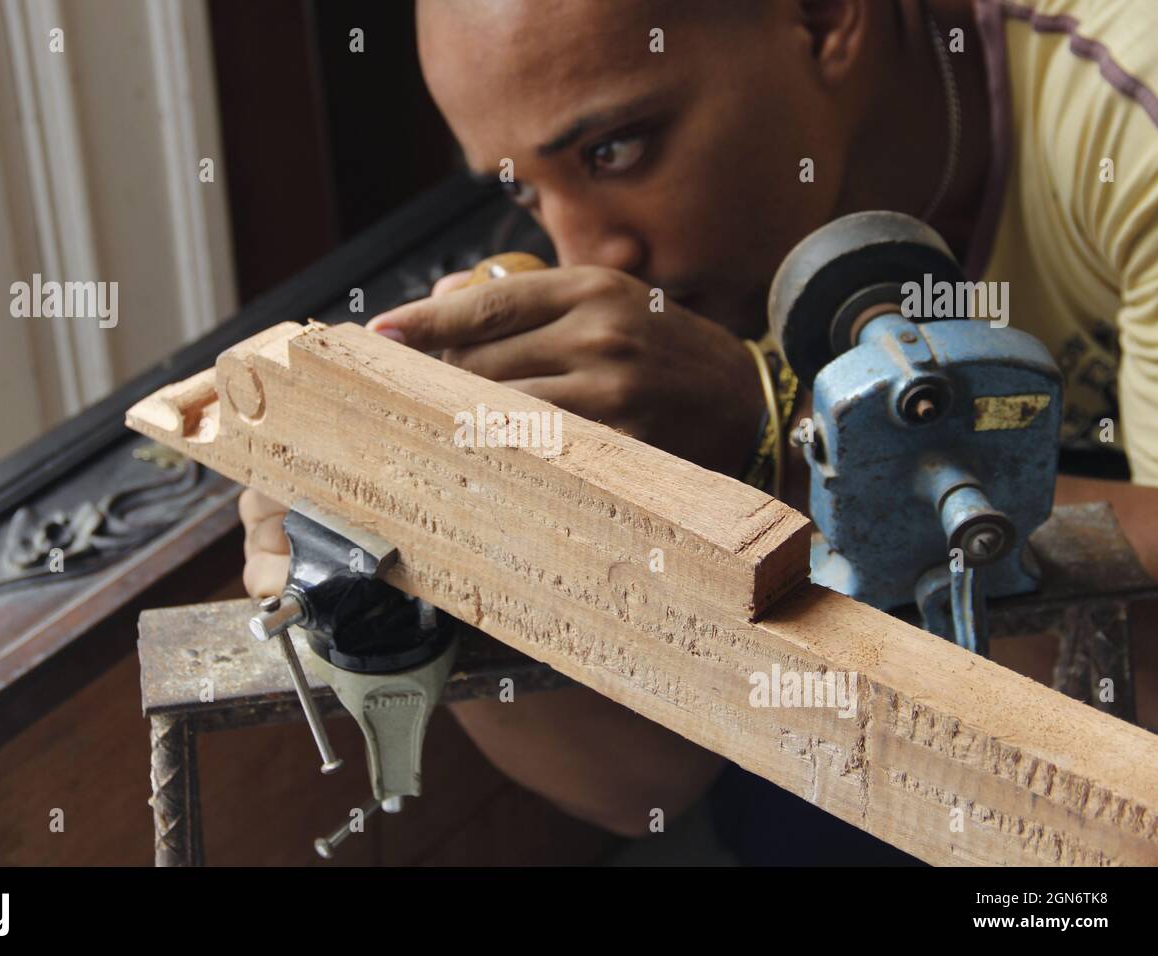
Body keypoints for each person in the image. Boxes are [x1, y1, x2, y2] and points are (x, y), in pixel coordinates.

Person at [240, 0, 1158, 858]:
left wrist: (773, 434)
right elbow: (647, 781)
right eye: (528, 195)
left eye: (614, 150)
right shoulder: (709, 258)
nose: (587, 256)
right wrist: (437, 565)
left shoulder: (1127, 103)